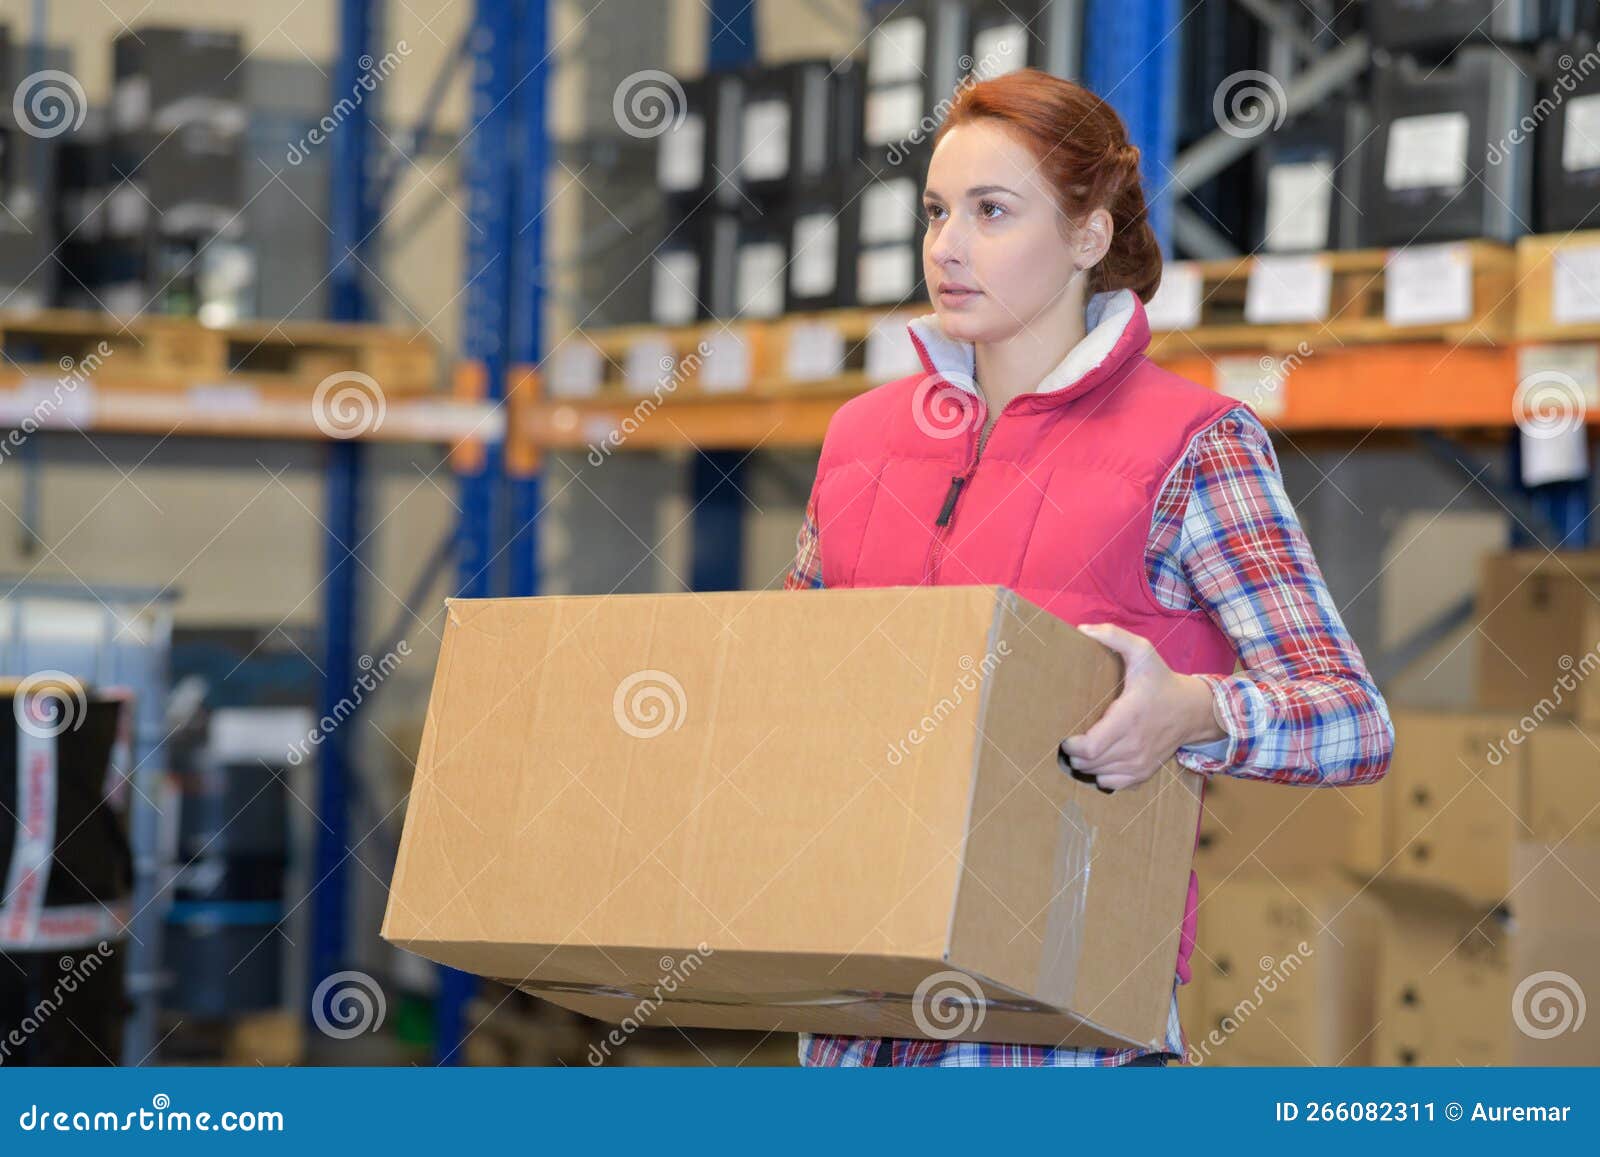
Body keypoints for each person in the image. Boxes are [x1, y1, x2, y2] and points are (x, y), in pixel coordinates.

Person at [783, 68, 1394, 1068]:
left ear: (1086, 236)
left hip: (1065, 1027)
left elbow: (1353, 722)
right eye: (936, 211)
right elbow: (785, 681)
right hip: (856, 1018)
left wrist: (1191, 714)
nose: (946, 246)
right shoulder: (859, 440)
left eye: (991, 212)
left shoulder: (1192, 444)